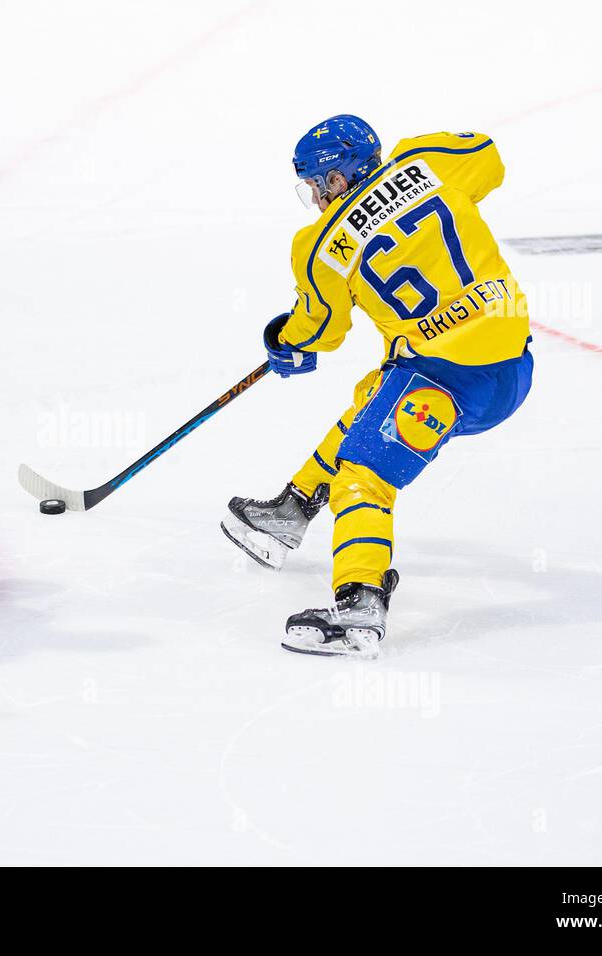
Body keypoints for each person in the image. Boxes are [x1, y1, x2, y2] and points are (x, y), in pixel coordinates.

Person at [222, 115, 533, 657]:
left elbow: (319, 333)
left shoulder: (320, 244)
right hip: (511, 369)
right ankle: (290, 512)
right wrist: (411, 154)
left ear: (337, 180)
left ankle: (359, 604)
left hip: (441, 382)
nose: (316, 196)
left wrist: (284, 339)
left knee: (363, 478)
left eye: (317, 184)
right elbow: (487, 154)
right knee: (372, 399)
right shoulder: (426, 165)